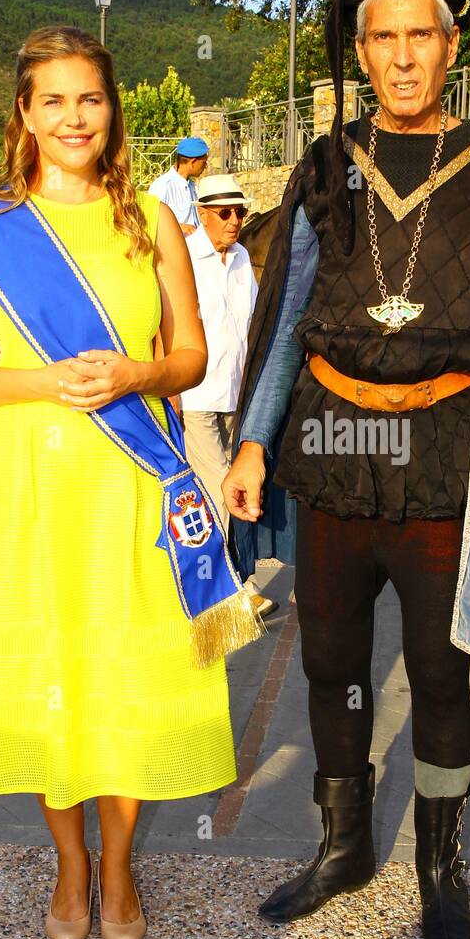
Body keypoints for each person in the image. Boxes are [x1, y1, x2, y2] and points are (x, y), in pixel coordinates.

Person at [224, 0, 470, 939]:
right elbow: (285, 325)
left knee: (439, 673)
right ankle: (342, 847)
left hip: (443, 446)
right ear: (361, 55)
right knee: (327, 661)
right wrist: (250, 440)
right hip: (330, 442)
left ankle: (439, 865)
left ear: (452, 48)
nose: (402, 57)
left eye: (422, 36)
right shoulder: (326, 162)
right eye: (383, 39)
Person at [0, 25, 257, 939]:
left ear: (110, 112)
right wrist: (45, 380)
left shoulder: (151, 222)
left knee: (127, 671)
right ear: (26, 115)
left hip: (128, 480)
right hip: (25, 482)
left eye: (92, 99)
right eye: (55, 101)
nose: (75, 117)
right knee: (52, 669)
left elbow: (191, 356)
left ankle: (115, 863)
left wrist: (131, 377)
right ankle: (67, 860)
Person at [180, 173, 277, 620]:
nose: (235, 220)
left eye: (240, 212)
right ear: (202, 214)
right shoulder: (184, 259)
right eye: (225, 213)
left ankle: (229, 583)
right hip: (198, 393)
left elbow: (254, 321)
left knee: (237, 488)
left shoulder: (241, 259)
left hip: (238, 395)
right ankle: (238, 589)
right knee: (222, 490)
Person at [148, 137, 208, 235]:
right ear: (192, 162)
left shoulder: (193, 187)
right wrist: (179, 227)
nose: (205, 166)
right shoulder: (163, 186)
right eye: (203, 162)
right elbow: (150, 221)